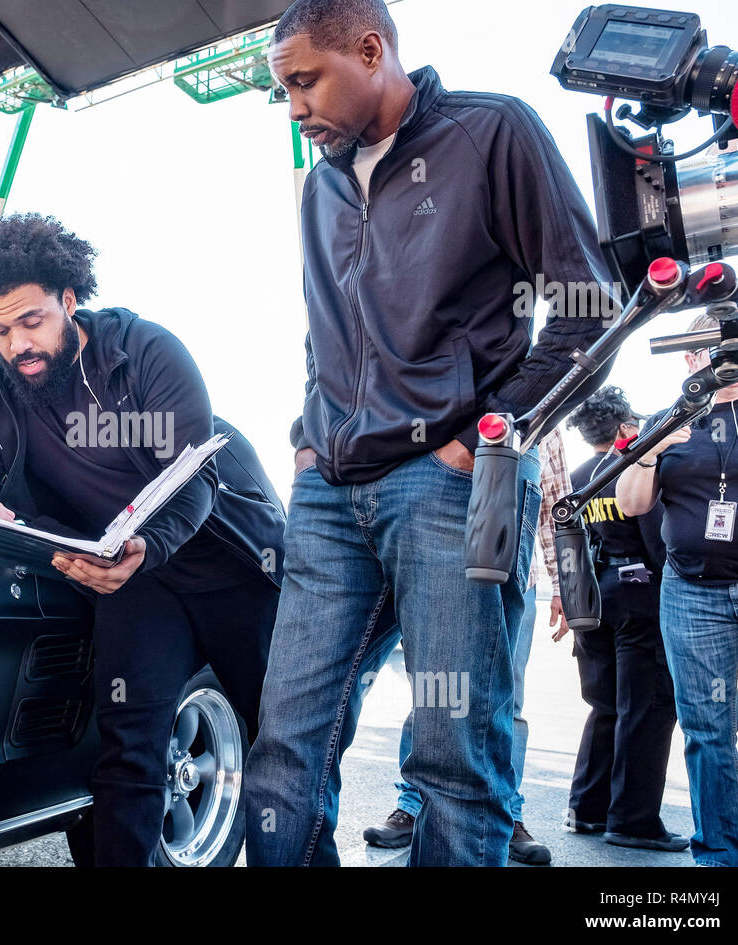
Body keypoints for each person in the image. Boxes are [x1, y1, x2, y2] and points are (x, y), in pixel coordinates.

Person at [244, 0, 616, 866]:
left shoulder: (492, 133)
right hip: (330, 491)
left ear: (370, 50)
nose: (293, 107)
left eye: (303, 81)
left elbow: (590, 310)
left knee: (454, 754)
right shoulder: (321, 183)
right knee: (284, 747)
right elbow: (325, 333)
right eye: (284, 90)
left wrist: (485, 439)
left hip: (450, 481)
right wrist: (308, 438)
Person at [0, 213, 286, 866]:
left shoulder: (146, 350)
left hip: (226, 564)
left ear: (68, 300)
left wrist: (151, 544)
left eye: (31, 320)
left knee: (282, 750)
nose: (16, 344)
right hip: (129, 581)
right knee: (128, 754)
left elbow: (194, 477)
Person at [363, 429, 572, 864]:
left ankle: (507, 812)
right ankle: (413, 804)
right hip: (439, 560)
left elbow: (559, 500)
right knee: (435, 693)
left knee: (504, 702)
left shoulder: (548, 414)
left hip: (516, 572)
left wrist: (566, 583)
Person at [617, 315, 738, 866]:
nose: (732, 355)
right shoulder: (665, 419)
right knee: (708, 731)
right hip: (694, 594)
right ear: (690, 360)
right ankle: (721, 858)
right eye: (713, 347)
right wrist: (652, 451)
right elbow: (632, 503)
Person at [564, 386, 686, 852]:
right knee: (650, 707)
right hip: (641, 596)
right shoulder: (628, 468)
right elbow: (657, 541)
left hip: (597, 597)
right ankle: (634, 821)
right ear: (624, 427)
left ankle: (587, 809)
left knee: (608, 704)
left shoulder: (579, 476)